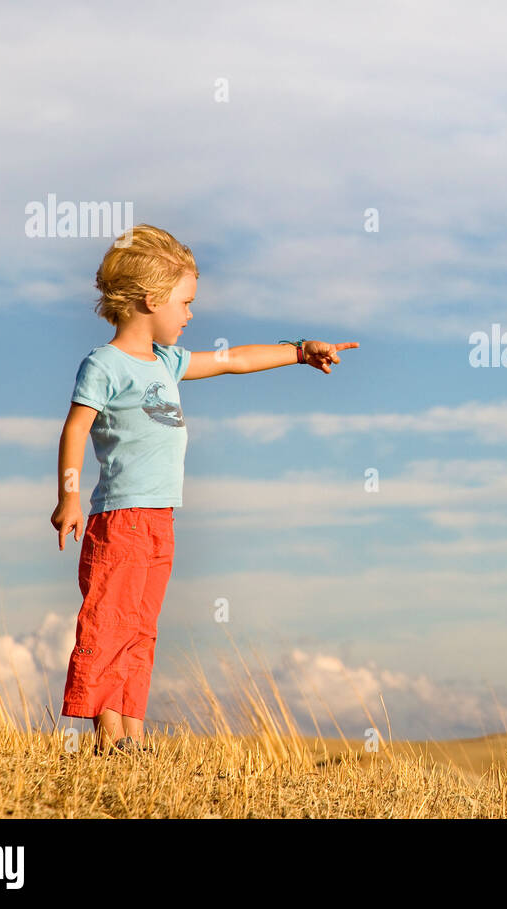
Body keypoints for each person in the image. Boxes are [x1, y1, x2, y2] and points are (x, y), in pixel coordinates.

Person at [50, 224, 357, 754]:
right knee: (108, 623)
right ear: (151, 300)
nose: (191, 316)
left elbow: (233, 359)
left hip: (160, 520)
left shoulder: (166, 362)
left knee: (142, 628)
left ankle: (135, 736)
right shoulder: (105, 364)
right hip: (119, 520)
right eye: (186, 303)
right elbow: (75, 428)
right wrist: (70, 495)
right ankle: (107, 735)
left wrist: (299, 351)